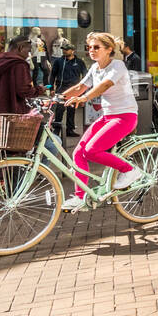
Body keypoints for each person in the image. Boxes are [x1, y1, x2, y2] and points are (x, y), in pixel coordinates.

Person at [59, 32, 141, 211]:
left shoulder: (117, 65)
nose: (91, 51)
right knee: (79, 153)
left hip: (125, 116)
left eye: (96, 47)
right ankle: (81, 197)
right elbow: (80, 87)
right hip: (107, 116)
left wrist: (84, 98)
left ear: (109, 49)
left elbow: (104, 85)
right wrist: (55, 98)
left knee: (92, 150)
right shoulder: (95, 68)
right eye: (89, 47)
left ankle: (129, 170)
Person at [0, 35, 37, 148]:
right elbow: (24, 91)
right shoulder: (19, 65)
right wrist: (40, 90)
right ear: (20, 48)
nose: (29, 54)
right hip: (13, 116)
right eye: (28, 50)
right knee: (49, 145)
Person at [48, 43, 88, 137]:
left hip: (75, 90)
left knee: (71, 110)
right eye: (63, 49)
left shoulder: (79, 62)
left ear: (72, 50)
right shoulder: (59, 61)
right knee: (59, 111)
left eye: (67, 49)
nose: (64, 51)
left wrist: (83, 93)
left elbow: (85, 76)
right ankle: (56, 131)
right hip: (61, 89)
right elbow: (52, 75)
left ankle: (70, 130)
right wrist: (51, 89)